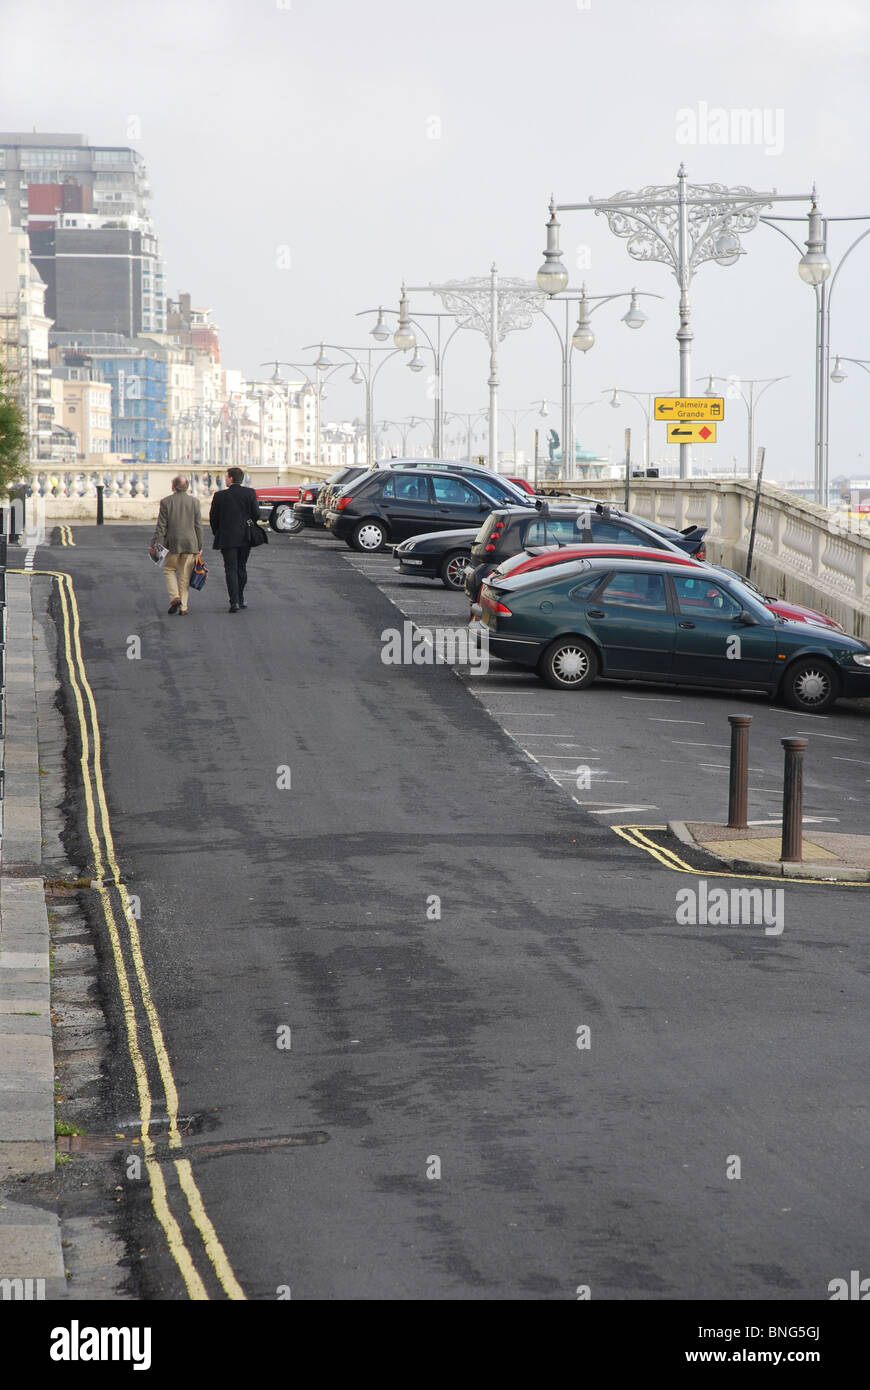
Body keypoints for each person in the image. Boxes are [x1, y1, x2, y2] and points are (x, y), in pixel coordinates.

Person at [208, 466, 262, 612]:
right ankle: (241, 598)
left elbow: (213, 518)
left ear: (231, 478)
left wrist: (217, 532)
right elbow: (256, 514)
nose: (225, 479)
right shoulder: (250, 493)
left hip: (226, 537)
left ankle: (234, 602)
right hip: (245, 535)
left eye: (226, 477)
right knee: (241, 567)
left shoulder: (219, 496)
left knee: (230, 568)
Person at [150, 475, 203, 616]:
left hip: (172, 543)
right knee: (185, 575)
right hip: (191, 543)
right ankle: (183, 607)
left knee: (169, 569)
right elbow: (198, 526)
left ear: (173, 486)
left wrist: (154, 543)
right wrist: (200, 545)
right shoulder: (195, 502)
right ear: (187, 487)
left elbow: (161, 526)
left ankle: (175, 597)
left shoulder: (166, 502)